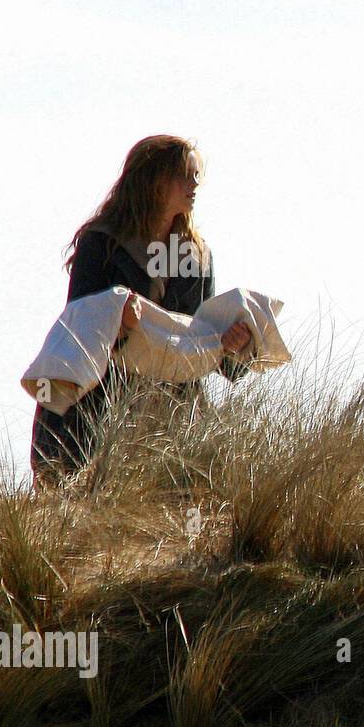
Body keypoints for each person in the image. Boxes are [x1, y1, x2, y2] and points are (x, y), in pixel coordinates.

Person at [30, 135, 252, 485]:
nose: (195, 184)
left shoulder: (196, 256)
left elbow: (205, 344)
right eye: (185, 175)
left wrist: (234, 346)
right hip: (100, 405)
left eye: (197, 175)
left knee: (173, 519)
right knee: (81, 511)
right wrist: (116, 321)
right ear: (153, 180)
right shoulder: (102, 243)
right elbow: (78, 326)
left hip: (171, 414)